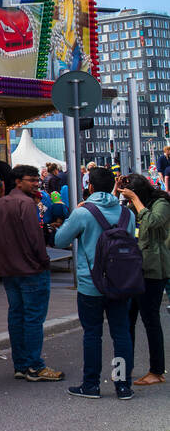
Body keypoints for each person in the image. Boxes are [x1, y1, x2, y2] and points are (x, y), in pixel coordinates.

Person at [54, 165, 136, 399]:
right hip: (120, 283)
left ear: (89, 186)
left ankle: (91, 384)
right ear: (112, 186)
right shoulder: (126, 214)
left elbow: (60, 241)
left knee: (92, 333)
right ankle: (122, 385)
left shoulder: (83, 213)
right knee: (121, 334)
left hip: (91, 284)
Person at [0, 165, 64, 383]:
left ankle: (21, 365)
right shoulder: (27, 204)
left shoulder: (0, 204)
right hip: (31, 269)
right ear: (18, 181)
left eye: (36, 180)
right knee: (33, 318)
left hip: (9, 269)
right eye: (31, 180)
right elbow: (35, 239)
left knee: (16, 316)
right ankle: (34, 366)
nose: (35, 183)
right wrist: (44, 261)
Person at [118, 174, 169, 386]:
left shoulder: (162, 203)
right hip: (133, 269)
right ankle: (124, 369)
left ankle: (157, 371)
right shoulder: (132, 206)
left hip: (153, 269)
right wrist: (116, 191)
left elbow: (153, 222)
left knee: (150, 320)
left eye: (131, 197)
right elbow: (116, 219)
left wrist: (136, 201)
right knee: (127, 319)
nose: (129, 202)